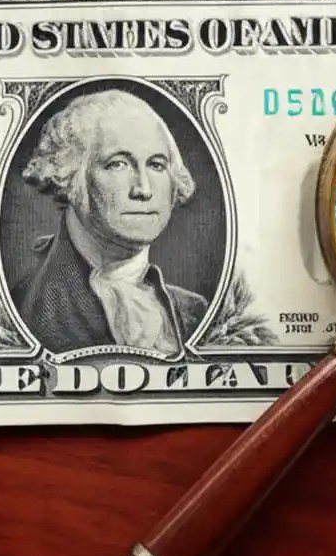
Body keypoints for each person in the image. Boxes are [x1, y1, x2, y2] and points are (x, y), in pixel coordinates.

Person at [11, 87, 208, 356]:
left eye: (156, 165)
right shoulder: (23, 309)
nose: (143, 189)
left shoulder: (195, 311)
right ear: (70, 176)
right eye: (118, 164)